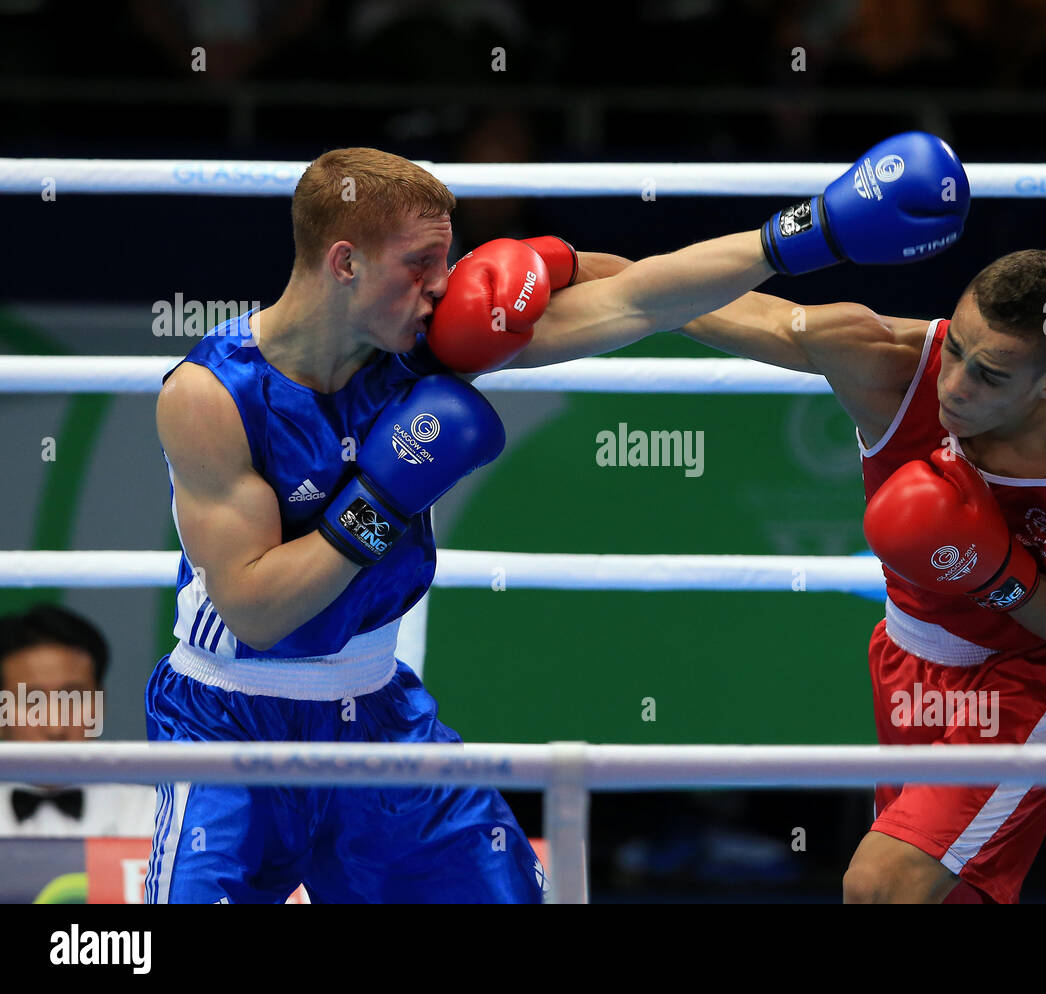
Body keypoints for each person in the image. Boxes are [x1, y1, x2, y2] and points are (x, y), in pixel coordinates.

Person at [147, 134, 970, 903]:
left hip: (376, 714)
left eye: (448, 257)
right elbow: (256, 610)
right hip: (231, 725)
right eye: (421, 262)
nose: (445, 281)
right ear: (344, 263)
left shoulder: (426, 346)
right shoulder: (211, 395)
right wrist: (382, 502)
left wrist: (802, 234)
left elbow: (640, 301)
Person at [677, 249, 1046, 903]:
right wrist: (560, 267)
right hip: (911, 657)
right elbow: (669, 299)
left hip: (1036, 672)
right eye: (956, 349)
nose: (955, 385)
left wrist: (997, 574)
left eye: (990, 375)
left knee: (881, 886)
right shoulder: (889, 366)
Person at [0, 604, 155, 837]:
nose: (56, 728)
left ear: (100, 703)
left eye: (74, 698)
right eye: (32, 701)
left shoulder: (153, 809)